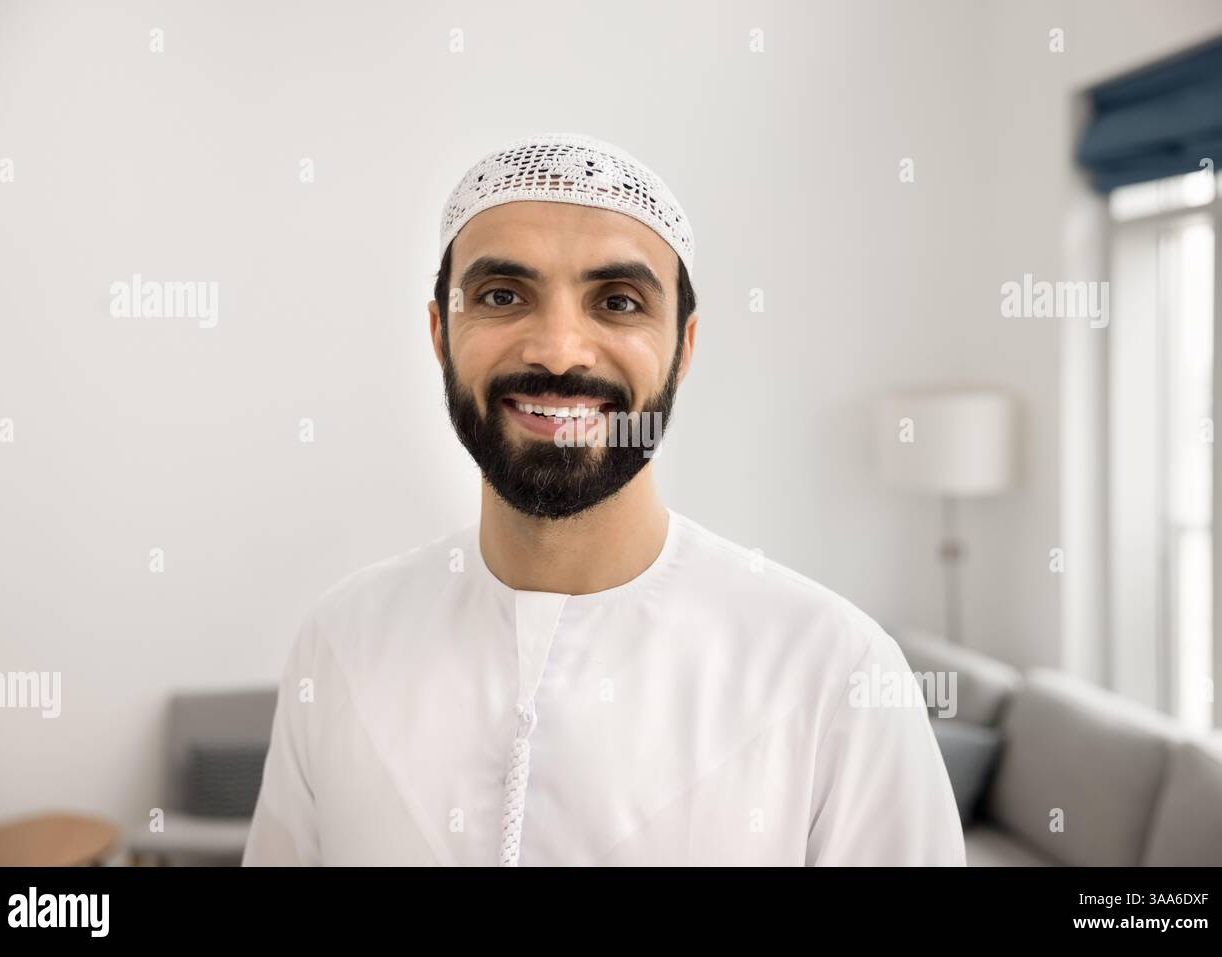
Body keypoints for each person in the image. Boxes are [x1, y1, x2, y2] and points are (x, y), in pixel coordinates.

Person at [243, 132, 965, 866]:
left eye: (617, 302)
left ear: (684, 347)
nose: (559, 350)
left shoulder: (835, 671)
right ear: (441, 333)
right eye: (502, 296)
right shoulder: (340, 644)